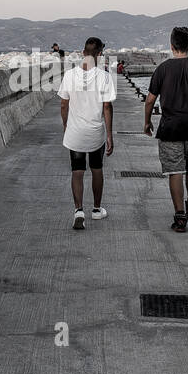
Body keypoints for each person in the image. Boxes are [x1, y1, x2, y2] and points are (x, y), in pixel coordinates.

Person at [143, 26, 188, 232]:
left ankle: (180, 215)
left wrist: (147, 122)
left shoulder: (162, 69)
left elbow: (150, 101)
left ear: (171, 46)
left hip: (170, 129)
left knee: (175, 171)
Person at [59, 37, 116, 230]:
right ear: (99, 54)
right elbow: (107, 107)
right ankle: (97, 210)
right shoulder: (104, 77)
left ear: (83, 52)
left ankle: (78, 210)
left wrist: (66, 126)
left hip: (75, 132)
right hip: (95, 133)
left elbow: (64, 104)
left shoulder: (69, 75)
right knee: (97, 169)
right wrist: (109, 135)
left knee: (77, 171)